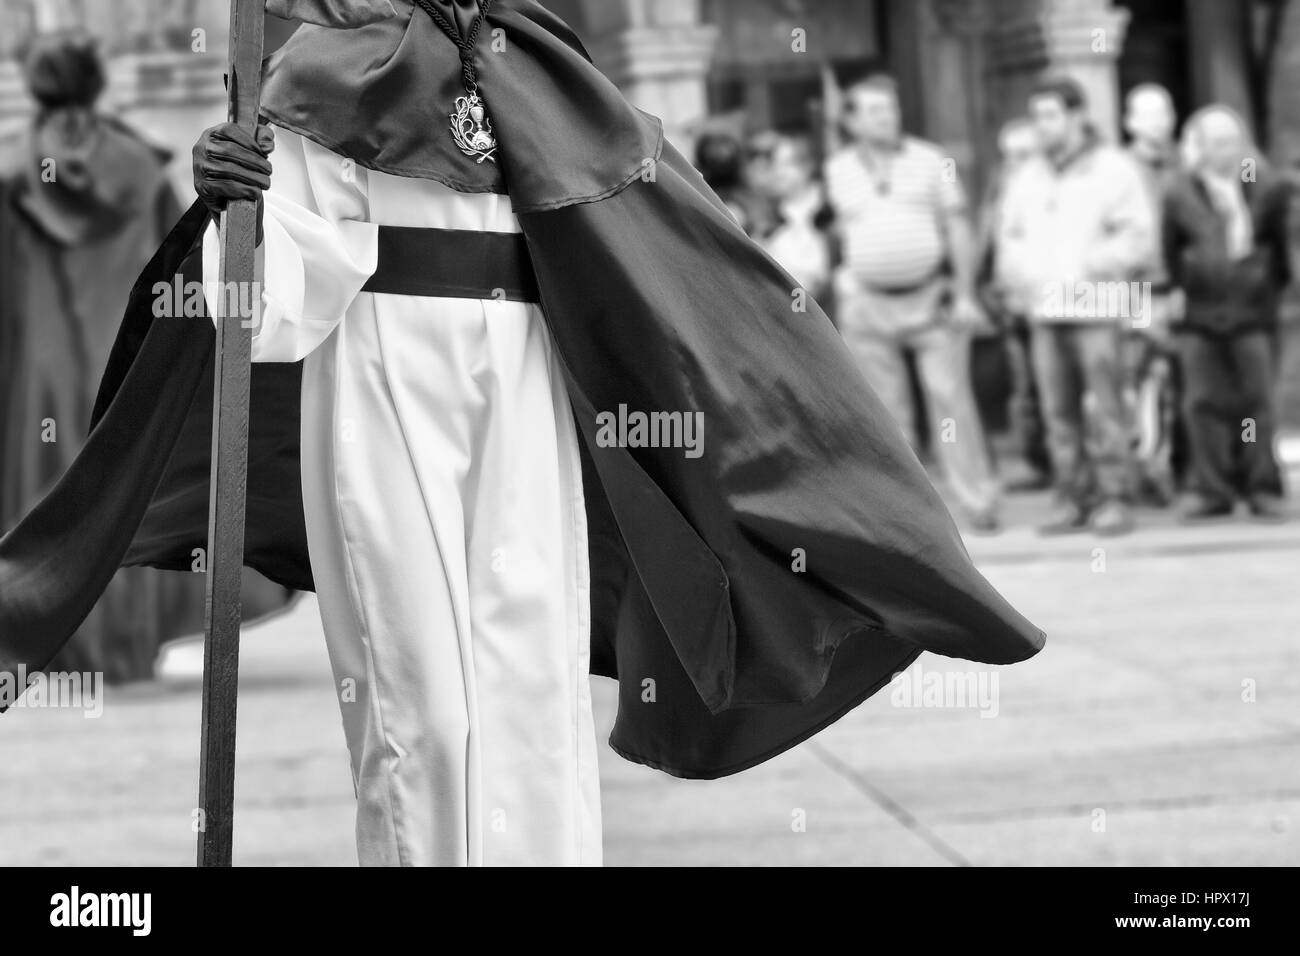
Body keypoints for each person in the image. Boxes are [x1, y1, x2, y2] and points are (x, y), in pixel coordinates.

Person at [0, 0, 1044, 866]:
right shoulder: (318, 69)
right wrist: (241, 208)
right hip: (378, 382)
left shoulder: (546, 66)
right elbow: (276, 314)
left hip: (526, 388)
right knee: (421, 698)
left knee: (530, 680)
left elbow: (637, 258)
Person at [0, 30, 289, 682]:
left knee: (53, 490)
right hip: (125, 352)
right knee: (127, 482)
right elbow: (178, 261)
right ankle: (123, 645)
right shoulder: (133, 164)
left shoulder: (18, 173)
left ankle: (56, 635)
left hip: (40, 370)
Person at [826, 72, 1002, 532]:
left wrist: (964, 292)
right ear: (851, 121)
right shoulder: (837, 168)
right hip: (868, 303)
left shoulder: (932, 160)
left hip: (930, 296)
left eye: (892, 109)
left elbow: (958, 226)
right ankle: (907, 514)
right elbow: (843, 228)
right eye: (876, 111)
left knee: (951, 401)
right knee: (885, 411)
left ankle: (977, 501)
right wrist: (845, 272)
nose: (889, 118)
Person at [998, 76, 1155, 536]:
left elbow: (1139, 235)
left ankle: (1116, 498)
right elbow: (1009, 238)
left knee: (1106, 408)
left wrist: (1091, 265)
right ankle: (1072, 498)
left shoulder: (1114, 169)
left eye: (1051, 115)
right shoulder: (1026, 174)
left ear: (1078, 116)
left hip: (1097, 305)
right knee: (1057, 413)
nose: (1042, 126)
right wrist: (1022, 277)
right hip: (1045, 311)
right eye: (1036, 116)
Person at [1163, 106, 1290, 522]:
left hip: (1252, 314)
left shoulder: (1263, 185)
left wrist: (1263, 286)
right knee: (1202, 404)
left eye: (1231, 141)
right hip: (1199, 316)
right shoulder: (1181, 190)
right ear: (1199, 146)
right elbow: (1168, 251)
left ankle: (1261, 487)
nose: (1225, 152)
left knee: (1256, 406)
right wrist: (1174, 292)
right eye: (1216, 143)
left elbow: (1282, 251)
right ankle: (1211, 490)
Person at [979, 116, 1051, 491]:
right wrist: (990, 292)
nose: (1015, 163)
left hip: (1056, 305)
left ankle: (1075, 473)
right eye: (1009, 156)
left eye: (1024, 154)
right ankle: (1040, 464)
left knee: (1058, 391)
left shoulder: (1052, 190)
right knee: (1025, 390)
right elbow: (988, 247)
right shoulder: (999, 192)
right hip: (1012, 305)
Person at [1122, 83, 1182, 506]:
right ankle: (1142, 468)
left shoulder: (1188, 163)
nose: (1156, 122)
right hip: (1132, 289)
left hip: (1179, 287)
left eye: (1163, 112)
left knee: (1172, 381)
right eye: (1146, 113)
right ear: (1129, 121)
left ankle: (1171, 468)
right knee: (1138, 382)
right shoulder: (1115, 168)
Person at [749, 132, 832, 301]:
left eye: (787, 164)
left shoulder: (827, 207)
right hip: (788, 303)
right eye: (775, 165)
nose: (779, 172)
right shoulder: (769, 216)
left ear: (807, 166)